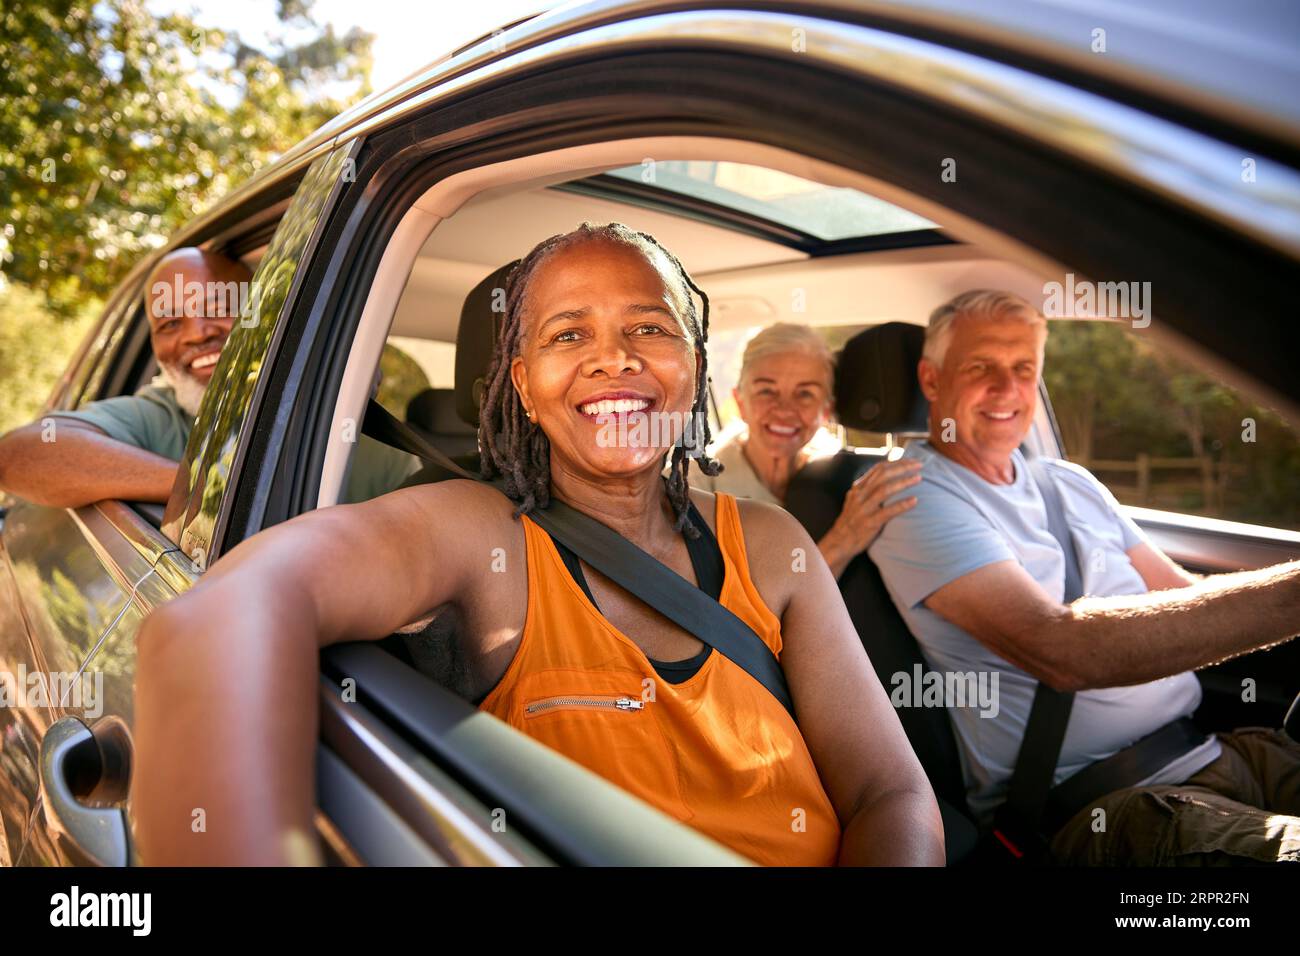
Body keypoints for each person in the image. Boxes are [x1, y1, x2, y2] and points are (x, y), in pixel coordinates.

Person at [132, 222, 944, 866]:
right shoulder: (477, 533)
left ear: (692, 366)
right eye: (566, 336)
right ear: (521, 381)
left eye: (649, 327)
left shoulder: (771, 543)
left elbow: (889, 794)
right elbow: (234, 607)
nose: (614, 358)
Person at [868, 289, 1300, 865]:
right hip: (1113, 806)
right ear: (931, 378)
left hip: (1221, 751)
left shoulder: (1067, 482)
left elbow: (1183, 597)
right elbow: (1063, 650)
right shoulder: (914, 497)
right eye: (981, 368)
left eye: (1024, 369)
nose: (1007, 389)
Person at [0, 247, 417, 508]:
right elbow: (19, 455)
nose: (196, 333)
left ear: (262, 317)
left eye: (217, 306)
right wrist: (208, 490)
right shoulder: (159, 417)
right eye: (169, 325)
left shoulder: (369, 443)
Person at [692, 323, 923, 579]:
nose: (784, 410)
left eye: (805, 394)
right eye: (766, 390)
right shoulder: (694, 485)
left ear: (825, 411)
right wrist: (841, 543)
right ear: (740, 402)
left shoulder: (848, 479)